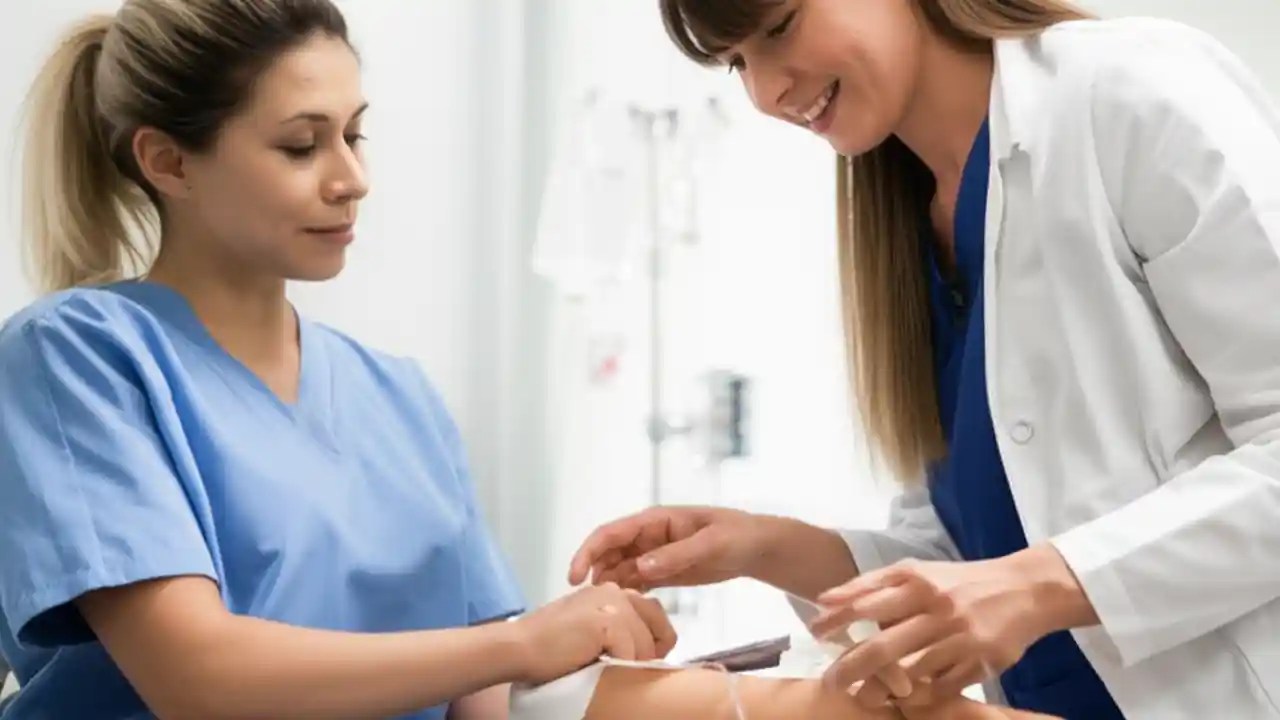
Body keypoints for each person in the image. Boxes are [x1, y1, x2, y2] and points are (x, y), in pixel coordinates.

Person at [0, 2, 1063, 719]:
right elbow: (194, 677)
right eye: (300, 144)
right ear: (166, 160)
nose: (351, 179)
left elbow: (479, 706)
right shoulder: (83, 359)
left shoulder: (392, 397)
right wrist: (522, 645)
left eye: (357, 136)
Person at [570, 0, 1280, 719]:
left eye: (780, 28)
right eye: (737, 64)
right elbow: (966, 560)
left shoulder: (1127, 93)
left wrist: (1043, 584)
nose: (765, 93)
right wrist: (760, 546)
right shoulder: (909, 221)